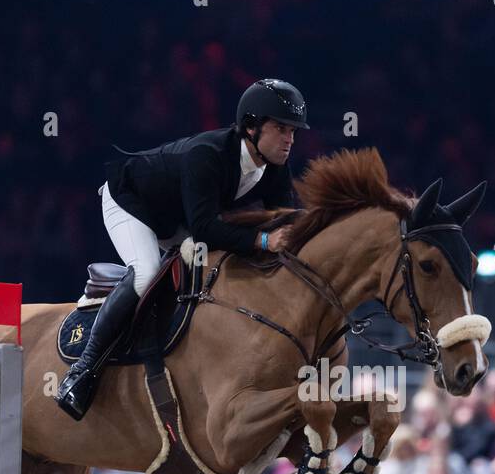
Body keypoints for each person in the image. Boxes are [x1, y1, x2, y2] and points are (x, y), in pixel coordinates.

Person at [55, 79, 308, 419]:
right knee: (145, 274)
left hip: (180, 220)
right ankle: (82, 372)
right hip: (132, 203)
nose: (290, 139)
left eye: (293, 131)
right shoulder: (209, 155)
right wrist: (262, 241)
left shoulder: (274, 166)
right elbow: (205, 229)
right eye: (281, 129)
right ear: (251, 126)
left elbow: (284, 220)